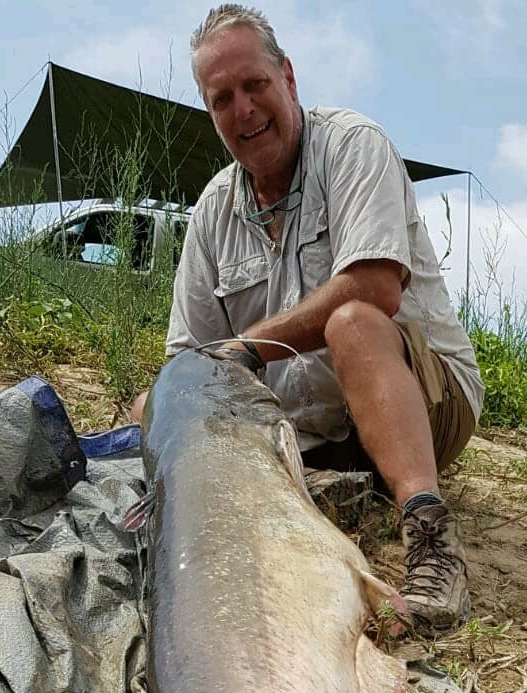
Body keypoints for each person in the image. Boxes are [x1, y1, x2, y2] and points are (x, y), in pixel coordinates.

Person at [133, 4, 484, 634]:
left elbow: (374, 286)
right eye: (221, 99)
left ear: (288, 78)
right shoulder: (213, 212)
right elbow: (186, 360)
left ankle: (431, 542)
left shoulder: (353, 145)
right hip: (306, 435)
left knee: (352, 321)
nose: (243, 110)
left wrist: (244, 348)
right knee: (154, 401)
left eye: (255, 86)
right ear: (210, 113)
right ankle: (317, 490)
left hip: (427, 405)